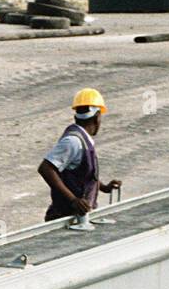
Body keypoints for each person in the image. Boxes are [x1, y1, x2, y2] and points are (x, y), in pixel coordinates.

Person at [38, 88, 120, 221]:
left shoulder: (84, 140)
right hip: (64, 217)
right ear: (98, 116)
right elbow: (45, 169)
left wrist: (104, 187)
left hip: (78, 217)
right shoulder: (73, 141)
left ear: (76, 116)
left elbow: (81, 176)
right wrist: (73, 200)